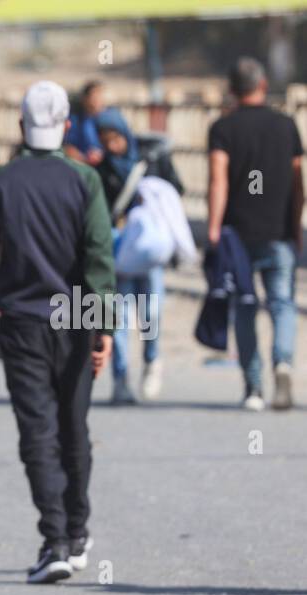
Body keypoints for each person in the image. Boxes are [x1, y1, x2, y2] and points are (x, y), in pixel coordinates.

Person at [0, 81, 115, 584]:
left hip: (22, 321)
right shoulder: (85, 181)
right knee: (75, 426)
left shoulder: (0, 181)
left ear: (20, 126)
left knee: (38, 432)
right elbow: (99, 257)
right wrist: (104, 330)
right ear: (68, 127)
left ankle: (53, 539)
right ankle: (77, 532)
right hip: (76, 319)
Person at [207, 57, 303, 411]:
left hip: (238, 233)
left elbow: (218, 179)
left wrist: (215, 229)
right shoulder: (286, 125)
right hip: (278, 229)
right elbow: (298, 182)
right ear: (263, 85)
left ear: (232, 89)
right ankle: (283, 361)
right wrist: (296, 226)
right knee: (282, 303)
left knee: (244, 307)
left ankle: (253, 388)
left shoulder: (223, 128)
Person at [94, 107, 191, 403]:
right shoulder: (100, 172)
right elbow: (98, 214)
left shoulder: (151, 162)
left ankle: (152, 362)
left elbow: (176, 191)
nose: (113, 147)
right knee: (118, 318)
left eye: (116, 140)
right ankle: (121, 379)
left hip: (149, 250)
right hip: (119, 251)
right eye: (106, 141)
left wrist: (150, 198)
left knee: (151, 314)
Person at [63, 80, 107, 166]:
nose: (98, 101)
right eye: (95, 97)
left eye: (100, 97)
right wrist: (84, 159)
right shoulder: (74, 120)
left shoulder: (108, 119)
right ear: (85, 99)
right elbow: (67, 147)